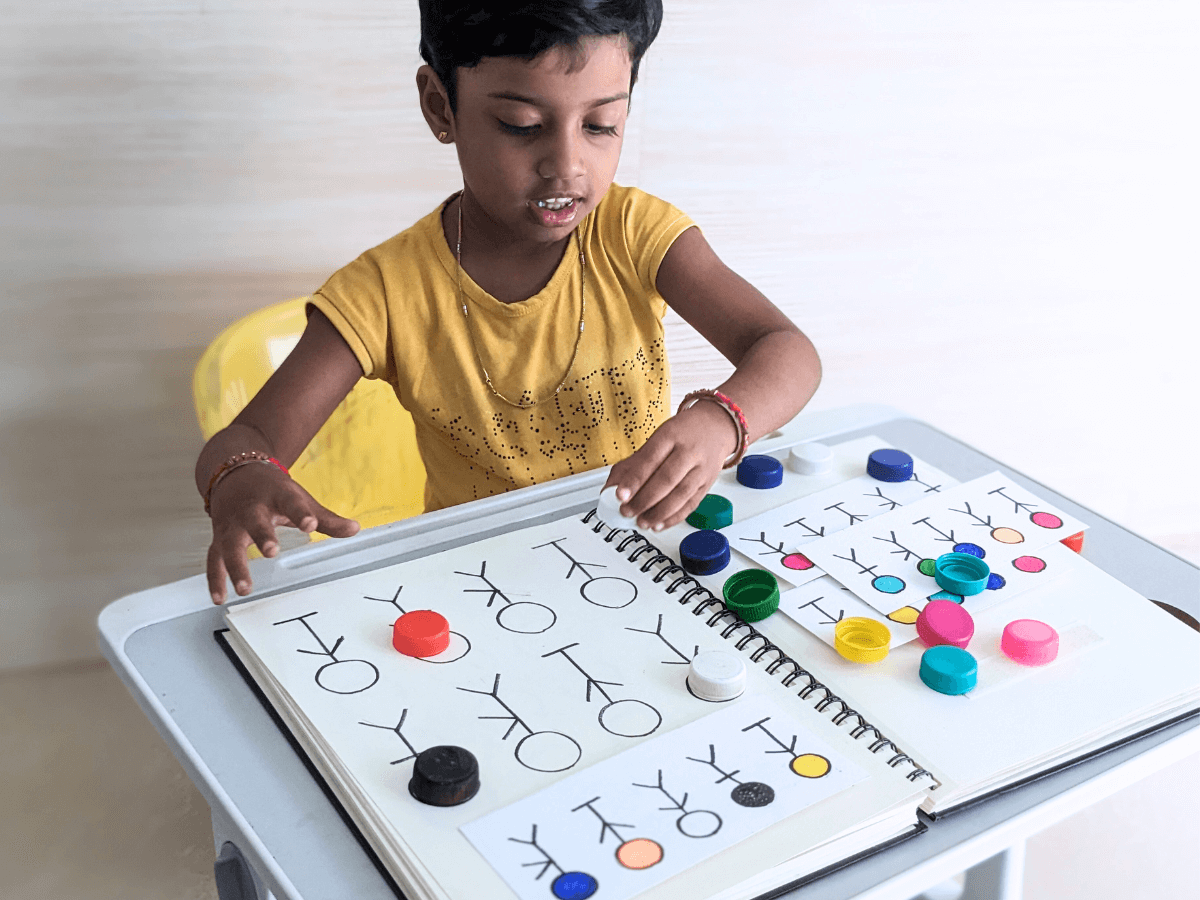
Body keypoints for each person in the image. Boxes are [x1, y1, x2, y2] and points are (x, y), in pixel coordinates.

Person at [196, 0, 821, 604]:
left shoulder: (634, 234)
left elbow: (787, 351)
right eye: (522, 126)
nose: (567, 165)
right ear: (440, 106)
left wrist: (720, 422)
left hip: (635, 559)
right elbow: (248, 437)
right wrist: (239, 476)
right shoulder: (385, 292)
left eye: (601, 124)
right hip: (481, 584)